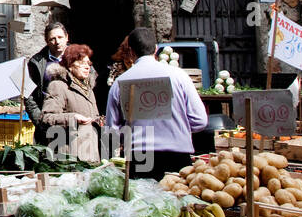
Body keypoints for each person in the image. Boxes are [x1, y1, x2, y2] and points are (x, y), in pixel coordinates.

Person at [105, 27, 209, 180]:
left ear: (131, 52)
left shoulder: (119, 83)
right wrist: (178, 127)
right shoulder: (179, 76)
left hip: (140, 158)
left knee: (145, 203)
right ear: (156, 49)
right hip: (178, 157)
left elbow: (112, 132)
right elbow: (200, 120)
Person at [40, 44, 103, 161]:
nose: (87, 67)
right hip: (69, 155)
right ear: (70, 65)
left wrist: (99, 120)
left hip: (90, 153)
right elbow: (46, 118)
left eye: (88, 63)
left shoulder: (88, 89)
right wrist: (73, 118)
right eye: (81, 63)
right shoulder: (58, 86)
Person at [24, 22, 68, 113]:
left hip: (75, 117)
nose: (57, 42)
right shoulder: (36, 62)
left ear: (67, 37)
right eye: (52, 39)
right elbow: (28, 94)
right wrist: (39, 119)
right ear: (46, 41)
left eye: (60, 37)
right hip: (48, 116)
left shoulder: (79, 57)